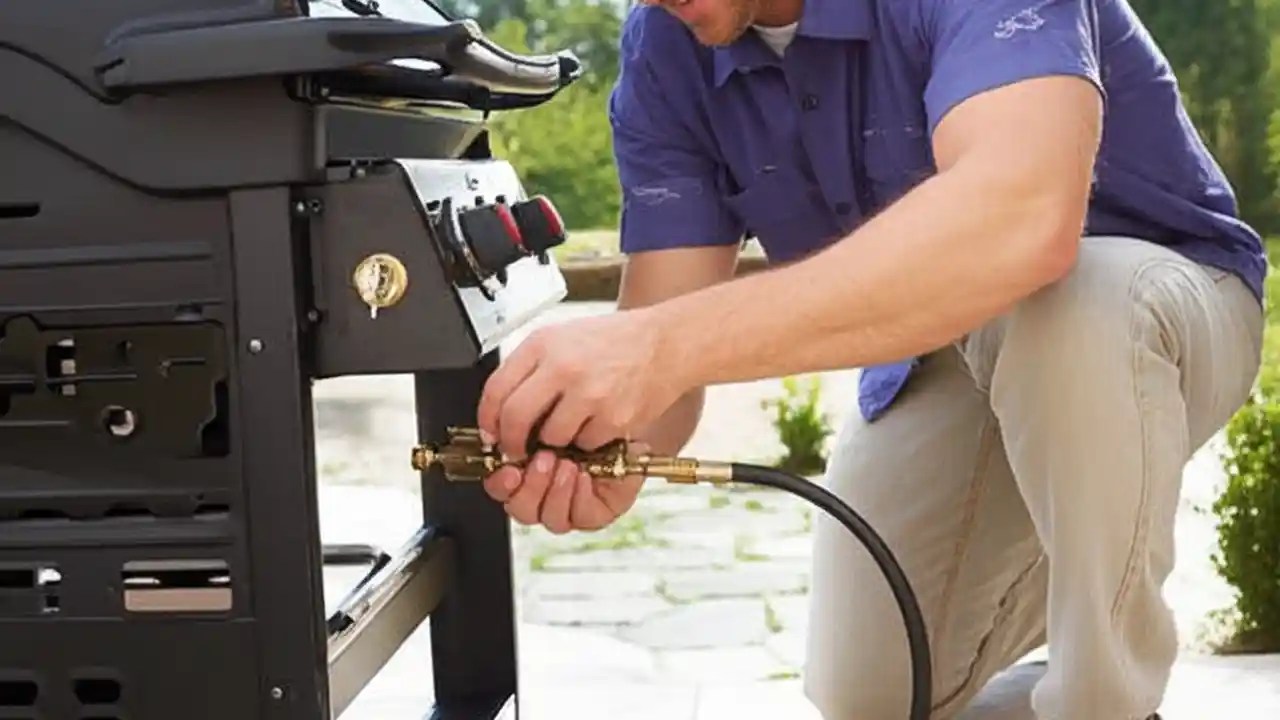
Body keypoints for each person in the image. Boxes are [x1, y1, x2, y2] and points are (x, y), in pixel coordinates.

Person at [475, 0, 1267, 718]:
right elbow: (656, 367)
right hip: (948, 353)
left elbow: (1023, 217)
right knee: (878, 697)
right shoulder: (667, 44)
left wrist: (660, 347)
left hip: (1155, 301)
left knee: (1081, 305)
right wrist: (607, 444)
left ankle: (1109, 706)